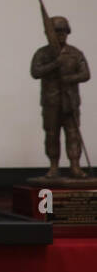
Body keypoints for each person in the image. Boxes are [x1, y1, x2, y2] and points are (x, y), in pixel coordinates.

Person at [30, 15, 90, 178]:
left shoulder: (75, 53)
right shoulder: (42, 53)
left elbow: (85, 74)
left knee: (73, 134)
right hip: (51, 102)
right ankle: (54, 167)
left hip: (70, 101)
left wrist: (69, 79)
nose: (61, 34)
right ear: (49, 33)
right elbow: (35, 72)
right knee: (51, 134)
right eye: (57, 31)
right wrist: (55, 64)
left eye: (64, 31)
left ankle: (75, 166)